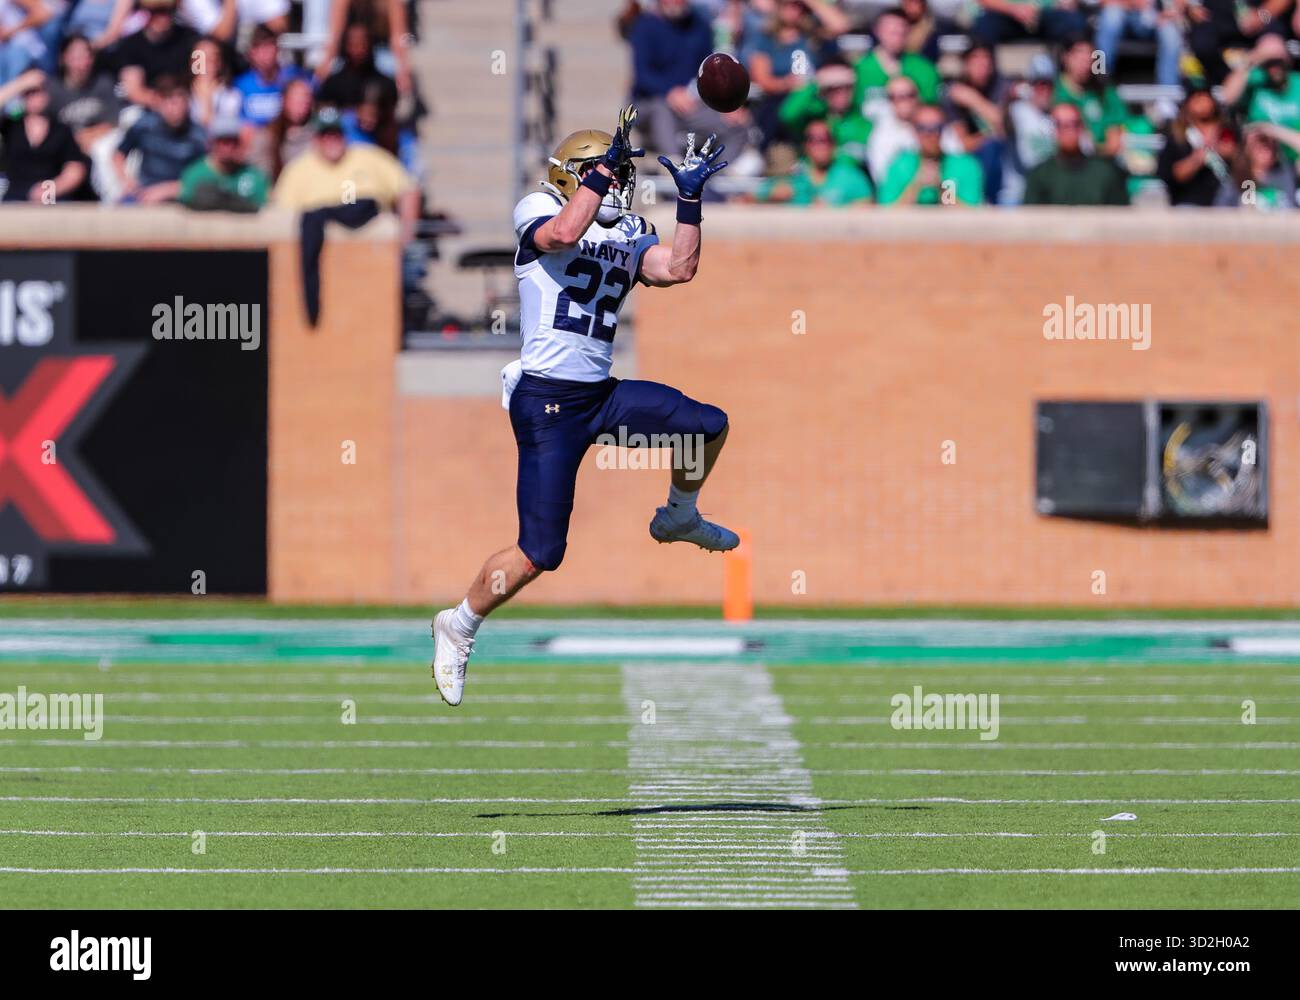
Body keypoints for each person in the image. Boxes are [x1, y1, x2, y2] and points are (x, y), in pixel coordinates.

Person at [428, 107, 738, 707]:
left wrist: (690, 203)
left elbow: (679, 268)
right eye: (611, 175)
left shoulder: (625, 231)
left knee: (707, 426)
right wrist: (598, 176)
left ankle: (679, 516)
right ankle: (459, 623)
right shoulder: (538, 209)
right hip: (547, 400)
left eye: (620, 176)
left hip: (600, 395)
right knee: (541, 553)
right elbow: (563, 236)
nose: (621, 185)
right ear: (578, 173)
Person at [626, 0, 751, 166]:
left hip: (691, 102)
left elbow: (709, 69)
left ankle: (720, 174)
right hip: (651, 102)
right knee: (661, 111)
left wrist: (726, 104)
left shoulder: (699, 25)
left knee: (736, 123)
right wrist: (670, 92)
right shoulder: (644, 26)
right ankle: (673, 166)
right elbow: (643, 75)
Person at [746, 0, 848, 145]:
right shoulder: (767, 39)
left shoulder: (812, 36)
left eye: (797, 5)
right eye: (787, 4)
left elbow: (841, 26)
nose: (792, 9)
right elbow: (761, 79)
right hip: (778, 107)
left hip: (812, 106)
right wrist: (787, 83)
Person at [112, 73, 206, 202]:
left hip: (183, 195)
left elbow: (208, 173)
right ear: (158, 102)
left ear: (188, 102)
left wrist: (169, 190)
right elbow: (118, 155)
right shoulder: (144, 126)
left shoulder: (198, 134)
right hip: (145, 193)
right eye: (168, 101)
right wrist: (127, 181)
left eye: (179, 100)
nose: (174, 108)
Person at [0, 68, 88, 201]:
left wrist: (50, 189)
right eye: (28, 93)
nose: (34, 97)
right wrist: (20, 84)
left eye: (38, 92)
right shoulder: (11, 125)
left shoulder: (61, 129)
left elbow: (75, 169)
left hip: (52, 198)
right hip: (15, 197)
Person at [1023, 102, 1130, 204]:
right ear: (1053, 130)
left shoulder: (1106, 173)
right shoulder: (1039, 176)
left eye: (1074, 123)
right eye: (1060, 124)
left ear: (1081, 127)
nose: (1069, 130)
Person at [878, 102, 983, 204]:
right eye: (922, 128)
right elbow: (888, 214)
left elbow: (970, 216)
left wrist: (942, 188)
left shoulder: (964, 166)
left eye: (936, 127)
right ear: (914, 130)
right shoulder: (899, 165)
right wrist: (916, 185)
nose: (930, 134)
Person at [944, 43, 1008, 204]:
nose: (929, 134)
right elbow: (963, 144)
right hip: (957, 171)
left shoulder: (1000, 86)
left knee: (993, 149)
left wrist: (972, 98)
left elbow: (1001, 127)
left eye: (986, 62)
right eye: (924, 129)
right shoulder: (946, 166)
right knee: (947, 199)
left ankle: (990, 202)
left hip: (985, 170)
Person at [755, 116, 873, 204]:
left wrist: (832, 213)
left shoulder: (851, 176)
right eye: (812, 139)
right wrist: (772, 196)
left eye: (825, 139)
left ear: (834, 145)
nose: (819, 145)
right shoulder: (793, 174)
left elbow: (867, 205)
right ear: (805, 145)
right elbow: (751, 198)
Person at [779, 58, 872, 168]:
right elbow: (787, 114)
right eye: (832, 88)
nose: (840, 93)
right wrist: (815, 83)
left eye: (846, 87)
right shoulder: (814, 118)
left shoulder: (864, 123)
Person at [108, 0, 199, 107]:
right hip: (149, 107)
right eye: (156, 12)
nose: (163, 17)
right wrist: (167, 105)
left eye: (168, 11)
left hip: (188, 102)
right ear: (146, 13)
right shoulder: (131, 46)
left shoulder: (190, 38)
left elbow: (201, 72)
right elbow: (134, 91)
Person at [1157, 85, 1237, 205]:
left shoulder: (1228, 132)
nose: (1202, 100)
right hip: (1189, 201)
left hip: (1227, 200)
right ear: (1187, 104)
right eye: (1196, 97)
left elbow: (1248, 170)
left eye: (1205, 96)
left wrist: (1232, 154)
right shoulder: (1178, 137)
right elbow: (1172, 175)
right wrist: (1197, 159)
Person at [854, 7, 940, 111]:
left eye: (901, 33)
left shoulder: (925, 69)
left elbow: (930, 111)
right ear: (877, 31)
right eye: (892, 32)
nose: (896, 38)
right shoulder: (859, 69)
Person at [1054, 35, 1126, 158]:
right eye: (1079, 56)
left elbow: (1115, 140)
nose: (1086, 62)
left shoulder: (1105, 92)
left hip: (1100, 163)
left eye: (1089, 56)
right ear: (1065, 57)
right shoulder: (1052, 92)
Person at [179, 113, 268, 210]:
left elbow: (262, 207)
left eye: (232, 141)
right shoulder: (194, 174)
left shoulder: (252, 176)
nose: (227, 147)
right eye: (222, 141)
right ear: (211, 143)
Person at [1094, 0, 1183, 87]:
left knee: (1170, 35)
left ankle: (1168, 92)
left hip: (1153, 17)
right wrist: (1131, 3)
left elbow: (1177, 5)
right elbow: (1103, 2)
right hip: (1122, 13)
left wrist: (1168, 14)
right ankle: (1099, 75)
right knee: (1111, 17)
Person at [233, 24, 304, 128]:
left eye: (269, 46)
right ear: (251, 53)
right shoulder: (240, 86)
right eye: (260, 47)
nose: (266, 53)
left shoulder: (292, 79)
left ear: (277, 49)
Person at [1215, 121, 1297, 208]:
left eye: (1270, 144)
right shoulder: (1236, 182)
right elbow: (1217, 213)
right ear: (1246, 148)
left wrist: (1272, 130)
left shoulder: (1286, 173)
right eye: (1260, 143)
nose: (1266, 148)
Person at [249, 75, 313, 179]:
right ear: (284, 100)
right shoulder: (268, 134)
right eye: (296, 99)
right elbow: (256, 169)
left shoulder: (316, 135)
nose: (302, 104)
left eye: (305, 99)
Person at [972, 0, 1089, 48]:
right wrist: (1013, 9)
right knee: (985, 26)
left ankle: (1068, 87)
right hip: (1006, 14)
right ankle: (993, 85)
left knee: (1075, 22)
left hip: (1045, 14)